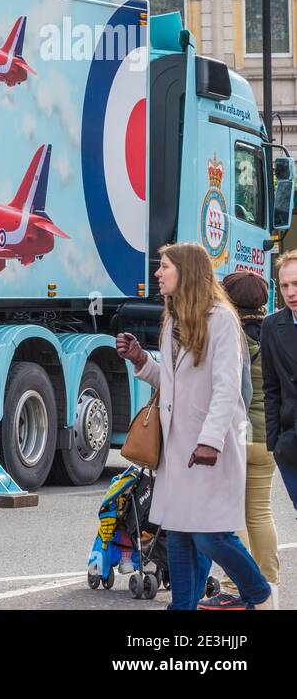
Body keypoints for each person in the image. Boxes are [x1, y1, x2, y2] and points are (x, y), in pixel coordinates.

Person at [115, 242, 275, 610]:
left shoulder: (221, 319)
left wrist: (210, 442)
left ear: (185, 272)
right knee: (181, 535)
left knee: (209, 535)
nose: (158, 273)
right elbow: (172, 384)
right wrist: (141, 360)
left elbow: (227, 388)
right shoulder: (174, 319)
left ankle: (260, 595)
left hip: (208, 450)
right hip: (177, 450)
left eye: (165, 267)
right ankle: (182, 608)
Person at [213, 270, 281, 606]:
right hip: (268, 437)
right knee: (260, 512)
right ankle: (270, 583)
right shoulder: (276, 334)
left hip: (238, 435)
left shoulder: (230, 334)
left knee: (234, 515)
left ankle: (234, 585)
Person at [261, 249, 297, 512]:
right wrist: (274, 443)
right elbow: (271, 387)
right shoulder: (272, 325)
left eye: (296, 284)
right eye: (284, 285)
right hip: (290, 444)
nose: (290, 292)